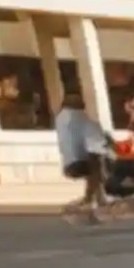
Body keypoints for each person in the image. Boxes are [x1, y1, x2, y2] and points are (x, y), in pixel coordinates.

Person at [54, 93, 110, 225]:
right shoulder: (81, 118)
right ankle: (91, 199)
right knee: (96, 164)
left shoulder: (60, 118)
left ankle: (97, 197)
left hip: (69, 163)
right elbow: (96, 140)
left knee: (94, 167)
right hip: (80, 162)